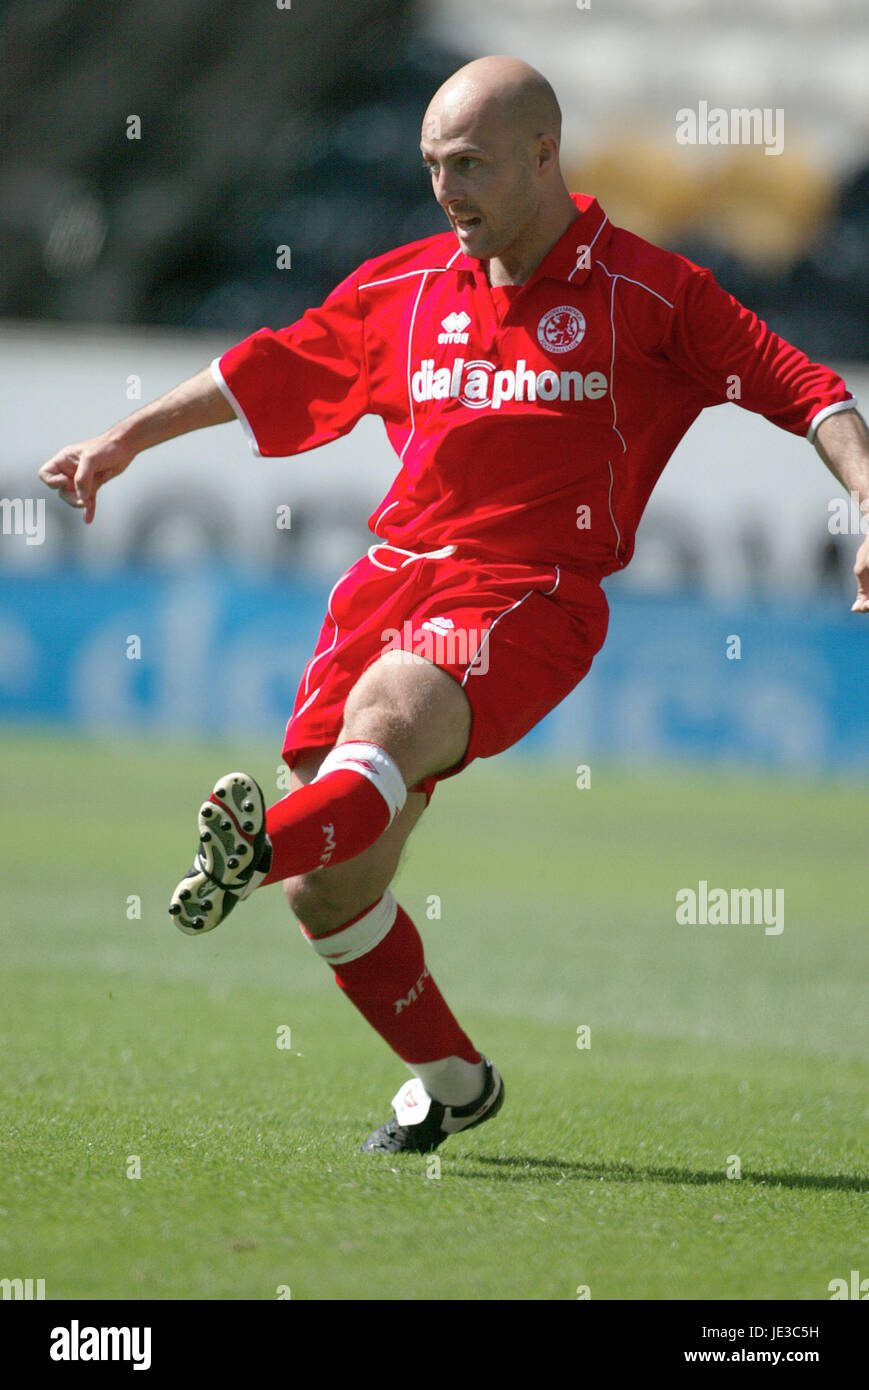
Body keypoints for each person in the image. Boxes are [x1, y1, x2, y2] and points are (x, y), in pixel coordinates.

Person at [38, 56, 869, 1156]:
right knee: (330, 896)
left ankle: (250, 848)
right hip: (386, 581)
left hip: (532, 590)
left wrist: (862, 493)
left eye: (468, 163)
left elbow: (802, 385)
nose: (446, 187)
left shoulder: (648, 292)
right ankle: (453, 1079)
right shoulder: (410, 285)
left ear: (542, 154)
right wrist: (125, 438)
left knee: (386, 716)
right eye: (432, 164)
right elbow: (270, 367)